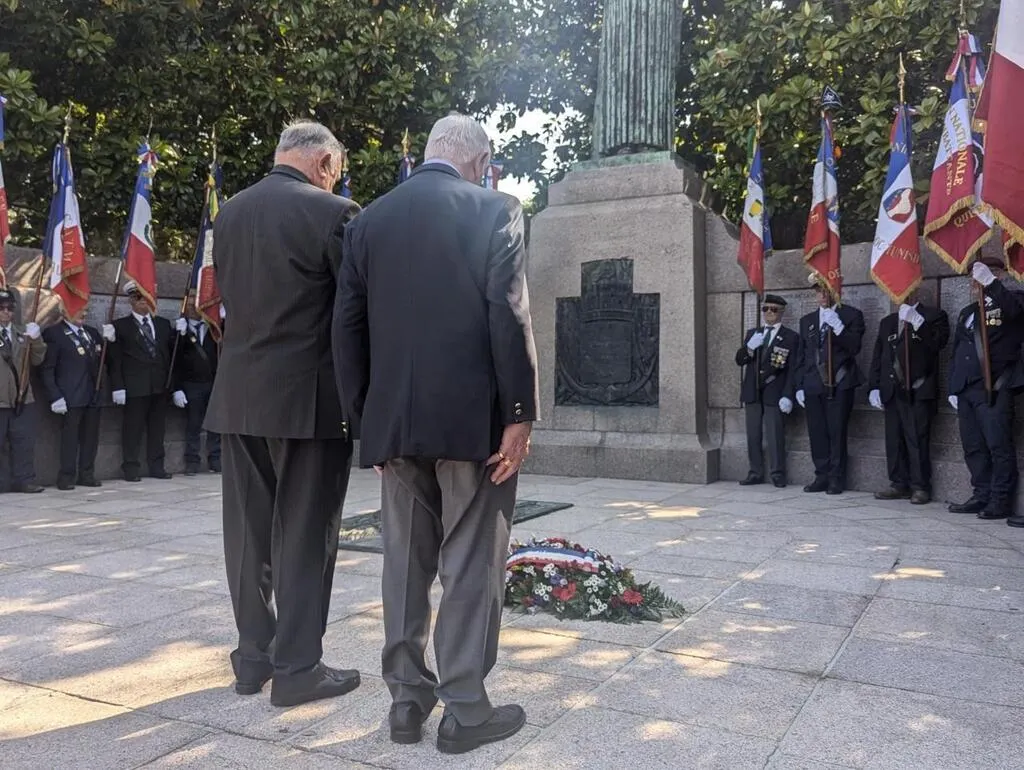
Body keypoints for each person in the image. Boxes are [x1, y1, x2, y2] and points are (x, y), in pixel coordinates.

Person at [334, 113, 539, 755]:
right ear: (479, 160)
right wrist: (519, 414)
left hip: (394, 425)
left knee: (404, 562)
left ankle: (405, 701)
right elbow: (507, 312)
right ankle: (466, 711)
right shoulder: (494, 209)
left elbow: (347, 328)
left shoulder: (366, 221)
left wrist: (367, 422)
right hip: (473, 426)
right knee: (472, 561)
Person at [206, 120, 362, 707]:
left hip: (239, 395)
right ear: (324, 162)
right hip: (309, 402)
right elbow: (353, 314)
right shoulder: (336, 214)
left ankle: (253, 660)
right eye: (336, 172)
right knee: (304, 534)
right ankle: (297, 667)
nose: (335, 181)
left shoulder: (231, 213)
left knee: (247, 537)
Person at [947, 258, 1024, 526]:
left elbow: (1016, 314)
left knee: (998, 445)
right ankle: (981, 493)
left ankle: (1000, 500)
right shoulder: (968, 311)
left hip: (994, 386)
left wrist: (992, 285)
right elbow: (958, 351)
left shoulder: (1012, 299)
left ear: (1000, 274)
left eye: (984, 274)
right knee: (974, 447)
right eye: (975, 276)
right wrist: (953, 386)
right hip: (967, 389)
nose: (975, 280)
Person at [867, 288, 949, 505]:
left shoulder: (934, 316)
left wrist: (918, 323)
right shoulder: (888, 322)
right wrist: (874, 386)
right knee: (894, 439)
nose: (900, 295)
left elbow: (936, 346)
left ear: (915, 291)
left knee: (917, 439)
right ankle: (898, 483)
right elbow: (879, 357)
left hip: (918, 388)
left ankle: (920, 486)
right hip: (892, 390)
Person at [795, 275, 866, 495]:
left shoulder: (851, 315)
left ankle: (836, 478)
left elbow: (854, 347)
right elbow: (803, 355)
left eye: (827, 290)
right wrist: (799, 385)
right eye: (819, 291)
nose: (823, 295)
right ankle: (821, 475)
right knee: (817, 432)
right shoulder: (807, 320)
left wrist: (839, 329)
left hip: (840, 381)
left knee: (837, 432)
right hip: (814, 383)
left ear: (837, 290)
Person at [105, 280, 178, 481]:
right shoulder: (121, 326)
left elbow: (171, 356)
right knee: (133, 429)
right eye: (138, 298)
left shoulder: (163, 325)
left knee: (157, 430)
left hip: (159, 385)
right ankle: (131, 467)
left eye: (146, 297)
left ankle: (157, 466)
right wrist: (117, 387)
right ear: (130, 301)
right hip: (134, 387)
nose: (142, 302)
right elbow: (115, 361)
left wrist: (181, 334)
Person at [735, 294, 800, 488]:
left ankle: (777, 473)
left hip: (775, 391)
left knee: (775, 435)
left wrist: (788, 395)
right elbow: (739, 360)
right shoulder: (753, 333)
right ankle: (755, 472)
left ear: (781, 312)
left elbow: (792, 369)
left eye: (773, 309)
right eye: (766, 309)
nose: (769, 313)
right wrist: (749, 348)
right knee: (753, 435)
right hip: (753, 392)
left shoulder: (790, 337)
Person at [40, 305, 104, 490]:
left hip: (93, 394)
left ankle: (87, 474)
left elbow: (103, 360)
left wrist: (111, 341)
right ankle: (66, 476)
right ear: (65, 310)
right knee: (70, 438)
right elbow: (47, 368)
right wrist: (55, 396)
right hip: (69, 396)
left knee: (90, 438)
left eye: (85, 310)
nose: (83, 313)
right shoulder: (54, 333)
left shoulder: (92, 333)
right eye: (78, 309)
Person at [0, 288, 45, 493]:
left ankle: (24, 480)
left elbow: (37, 359)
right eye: (1, 308)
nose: (6, 312)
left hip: (22, 398)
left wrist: (36, 339)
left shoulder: (22, 333)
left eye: (10, 308)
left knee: (24, 442)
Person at [172, 291, 221, 475]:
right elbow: (174, 362)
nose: (194, 309)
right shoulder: (179, 331)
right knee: (193, 424)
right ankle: (192, 461)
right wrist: (177, 388)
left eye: (197, 305)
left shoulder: (213, 327)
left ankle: (215, 459)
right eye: (190, 306)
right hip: (191, 385)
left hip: (213, 382)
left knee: (215, 424)